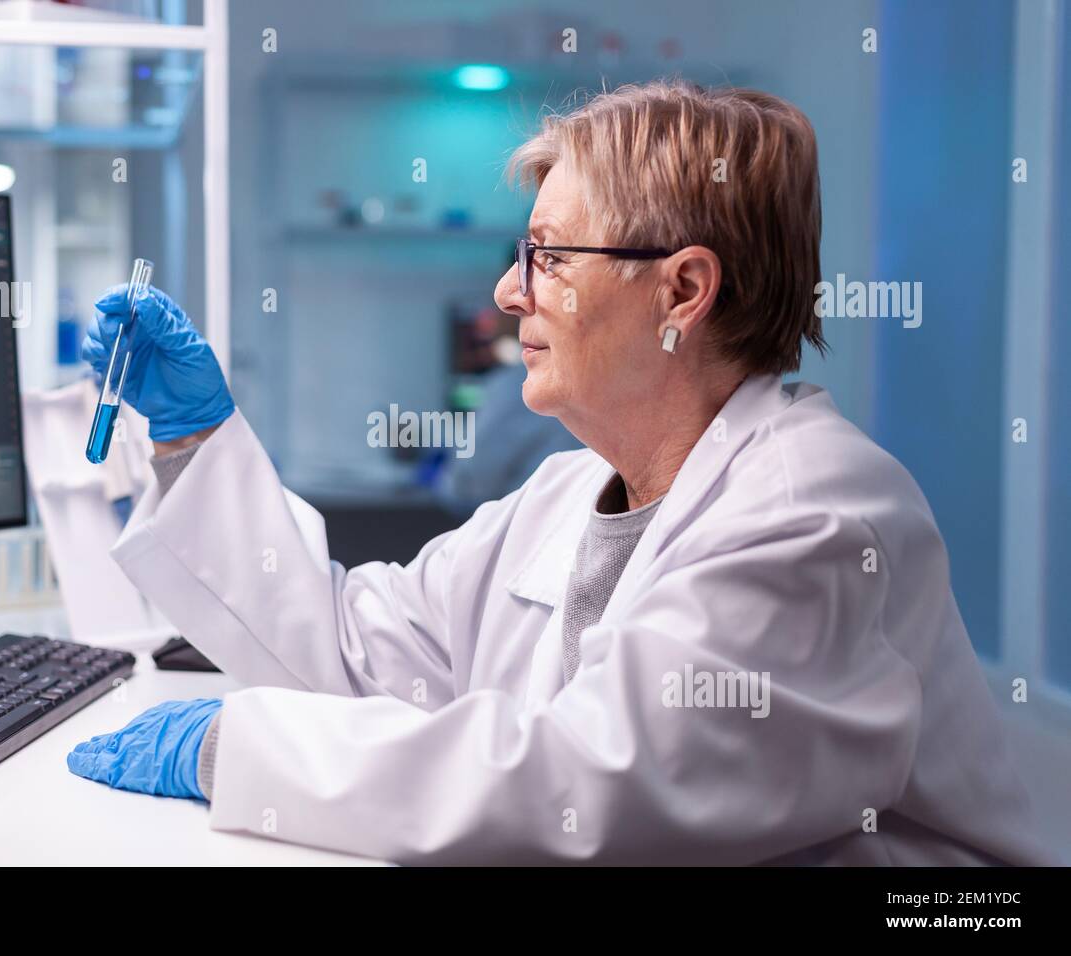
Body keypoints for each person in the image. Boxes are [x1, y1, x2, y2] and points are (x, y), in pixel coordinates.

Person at [68, 80, 1048, 865]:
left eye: (546, 256)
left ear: (683, 288)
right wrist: (197, 438)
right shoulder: (561, 498)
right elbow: (354, 656)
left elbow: (588, 785)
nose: (505, 292)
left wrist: (229, 748)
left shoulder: (814, 515)